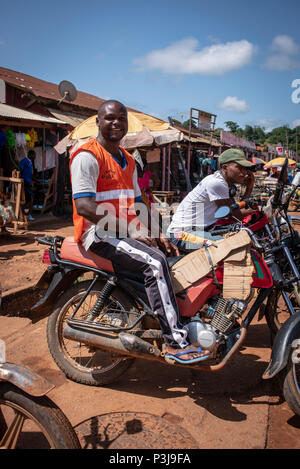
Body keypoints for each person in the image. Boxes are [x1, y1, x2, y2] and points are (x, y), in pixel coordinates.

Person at [70, 99, 209, 364]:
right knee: (155, 263)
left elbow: (137, 203)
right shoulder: (87, 155)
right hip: (98, 234)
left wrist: (157, 231)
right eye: (109, 118)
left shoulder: (129, 160)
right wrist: (131, 229)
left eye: (121, 118)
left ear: (126, 124)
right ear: (98, 122)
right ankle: (175, 342)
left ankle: (159, 315)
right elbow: (85, 206)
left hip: (123, 232)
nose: (116, 123)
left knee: (168, 253)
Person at [167, 148, 256, 251]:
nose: (244, 173)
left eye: (245, 168)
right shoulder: (217, 183)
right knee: (229, 245)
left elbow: (236, 209)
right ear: (225, 167)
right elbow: (234, 214)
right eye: (239, 168)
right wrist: (258, 210)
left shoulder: (222, 182)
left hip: (197, 230)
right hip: (182, 234)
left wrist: (249, 188)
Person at [19, 149, 35, 221]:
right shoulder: (25, 161)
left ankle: (27, 214)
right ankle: (26, 214)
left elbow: (30, 173)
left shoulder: (30, 162)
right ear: (30, 155)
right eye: (34, 155)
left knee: (29, 199)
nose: (35, 156)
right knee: (26, 199)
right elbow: (20, 169)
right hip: (24, 182)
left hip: (28, 182)